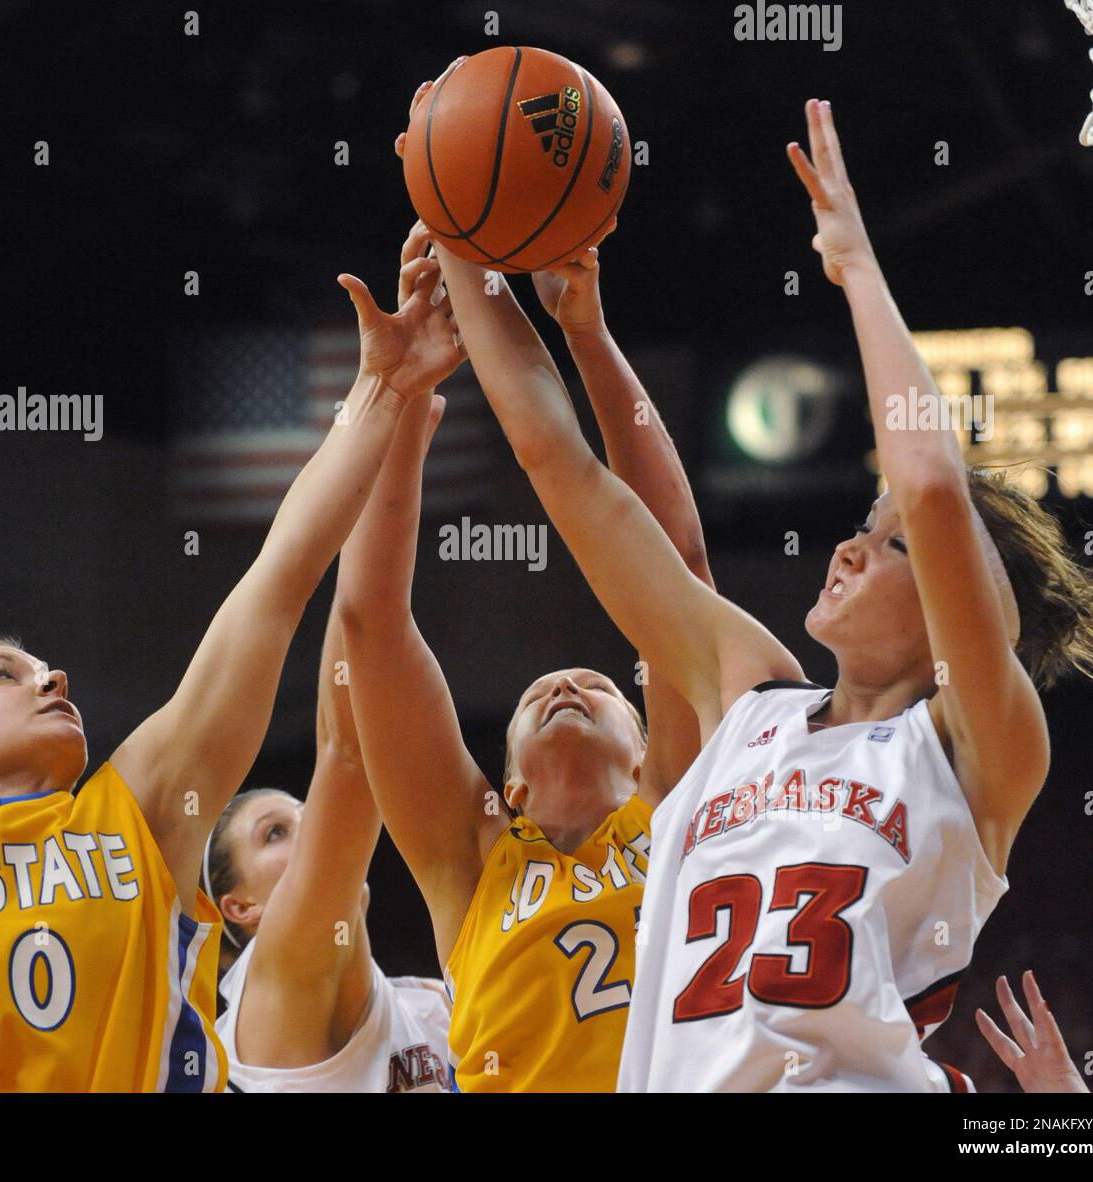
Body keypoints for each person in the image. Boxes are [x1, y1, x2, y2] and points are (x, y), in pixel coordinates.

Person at [432, 96, 1093, 1091]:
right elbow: (563, 468)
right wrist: (463, 239)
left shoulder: (977, 745)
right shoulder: (746, 696)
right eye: (858, 527)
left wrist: (852, 266)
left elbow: (934, 487)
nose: (847, 551)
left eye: (887, 546)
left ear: (949, 599)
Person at [0, 236, 462, 1091]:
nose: (52, 679)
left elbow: (276, 582)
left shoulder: (137, 810)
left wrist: (382, 389)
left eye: (47, 668)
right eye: (4, 675)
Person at [337, 117, 714, 1091]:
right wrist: (406, 410)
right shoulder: (471, 864)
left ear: (647, 753)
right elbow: (370, 627)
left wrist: (588, 336)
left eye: (601, 684)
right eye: (547, 690)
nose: (568, 680)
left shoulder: (679, 809)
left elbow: (673, 563)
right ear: (504, 793)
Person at [203, 243, 459, 1093]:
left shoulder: (428, 999)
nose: (310, 827)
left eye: (295, 816)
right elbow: (350, 747)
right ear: (236, 910)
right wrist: (397, 411)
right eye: (276, 835)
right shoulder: (273, 990)